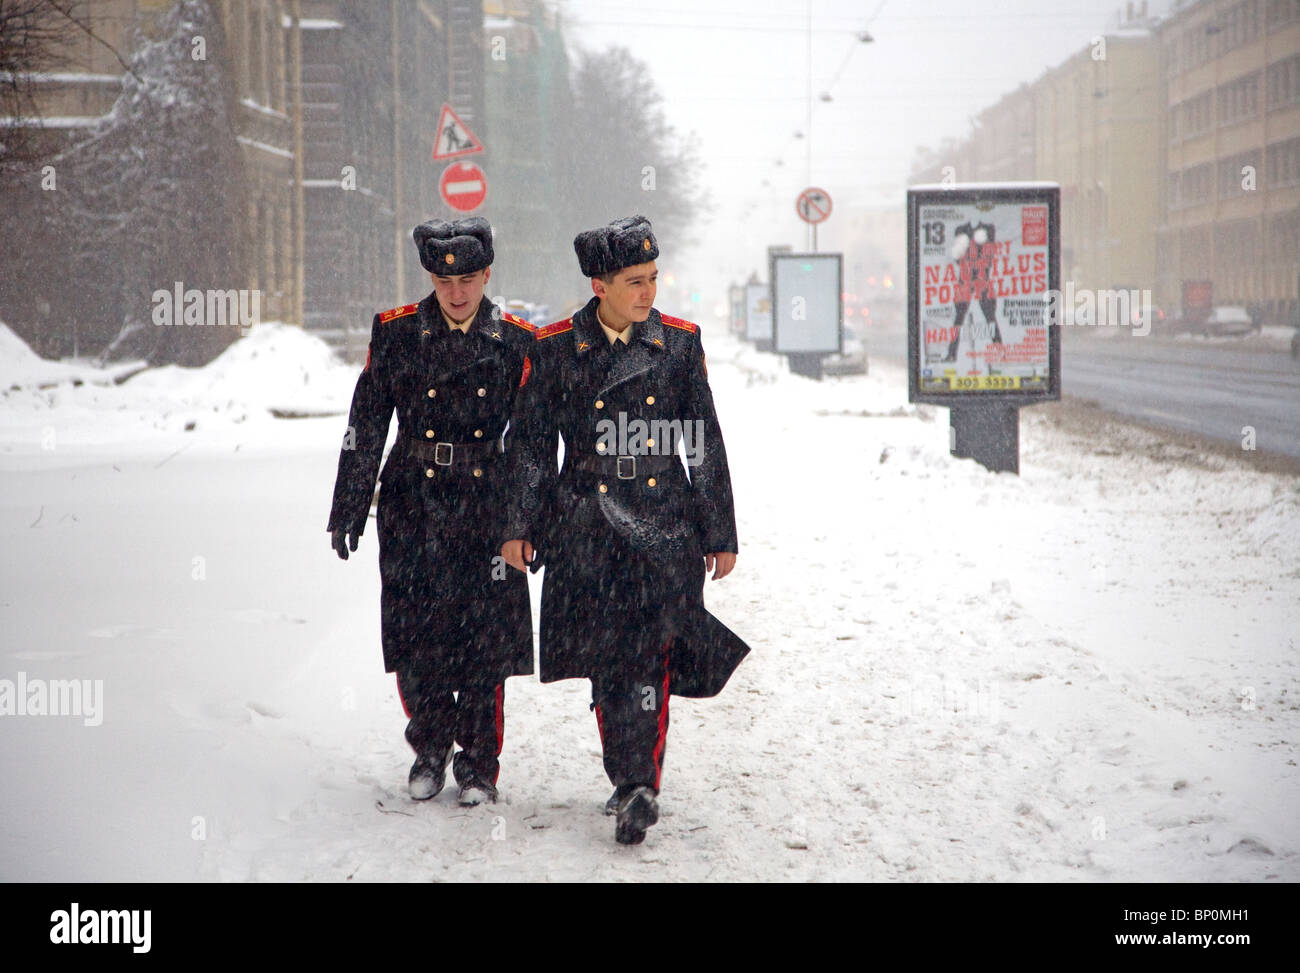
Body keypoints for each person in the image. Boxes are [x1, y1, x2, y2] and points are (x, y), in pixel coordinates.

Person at [500, 215, 749, 844]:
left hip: (665, 526)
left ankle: (641, 782)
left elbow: (704, 445)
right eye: (634, 281)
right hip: (586, 525)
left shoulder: (680, 344)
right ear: (599, 285)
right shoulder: (554, 347)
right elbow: (530, 446)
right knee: (609, 660)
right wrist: (519, 524)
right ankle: (627, 775)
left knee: (652, 654)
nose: (648, 292)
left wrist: (720, 531)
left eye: (653, 279)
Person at [328, 217, 534, 806]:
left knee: (485, 639)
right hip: (412, 500)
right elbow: (365, 424)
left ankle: (479, 763)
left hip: (484, 504)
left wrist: (524, 521)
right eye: (445, 281)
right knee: (415, 635)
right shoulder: (395, 333)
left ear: (487, 274)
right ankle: (430, 744)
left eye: (468, 278)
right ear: (431, 278)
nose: (457, 292)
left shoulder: (516, 341)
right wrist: (348, 504)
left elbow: (530, 443)